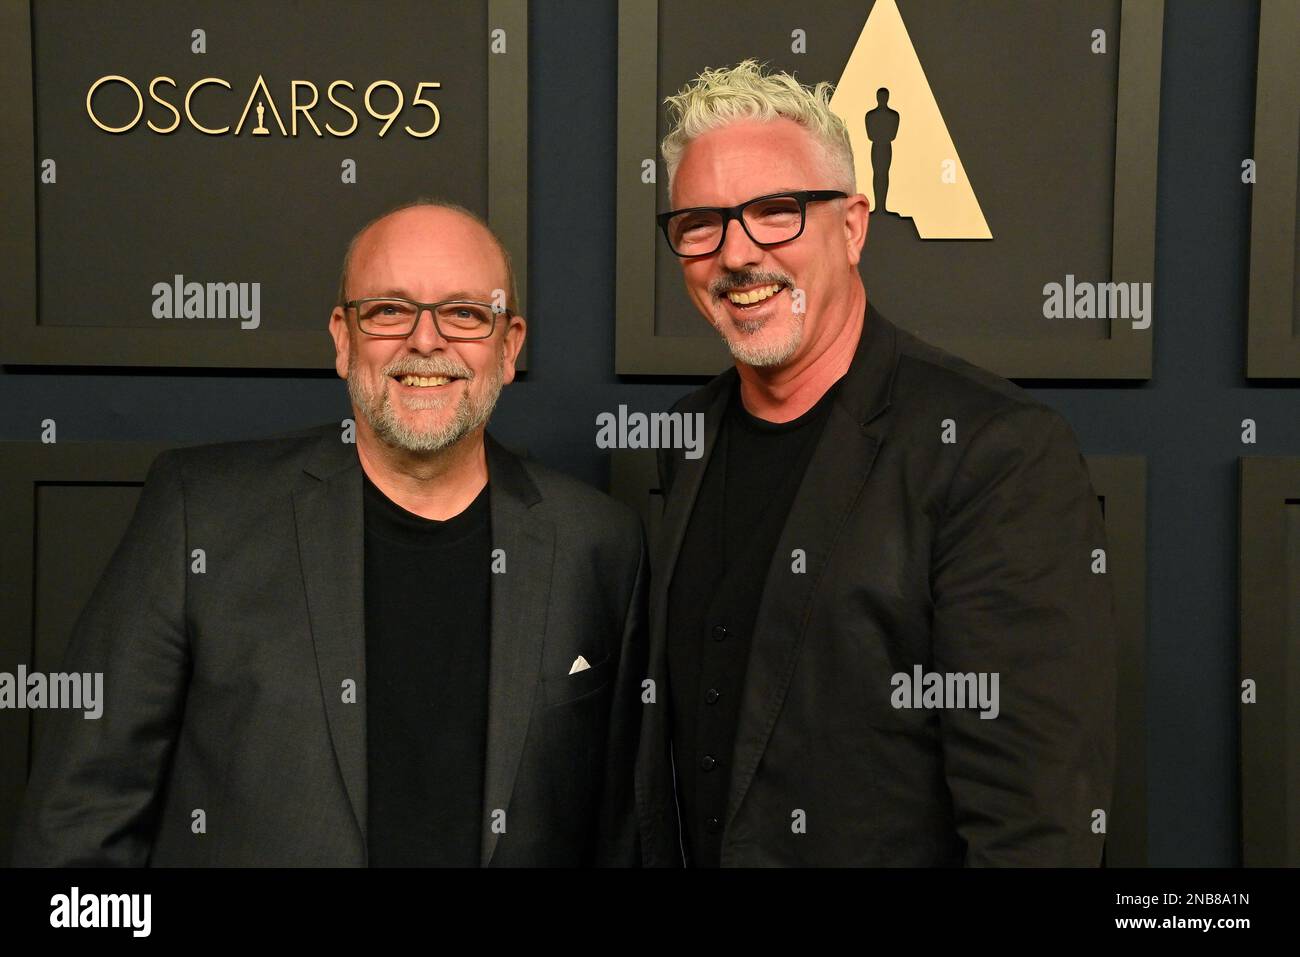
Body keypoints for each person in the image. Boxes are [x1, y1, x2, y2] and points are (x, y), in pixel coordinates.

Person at [13, 200, 647, 867]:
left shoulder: (598, 544)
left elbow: (621, 840)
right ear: (343, 338)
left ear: (509, 345)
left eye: (464, 312)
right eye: (388, 310)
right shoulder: (200, 512)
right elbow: (77, 827)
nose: (425, 341)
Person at [635, 60, 1117, 866]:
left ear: (853, 225)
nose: (737, 254)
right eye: (701, 223)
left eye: (775, 213)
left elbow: (1036, 827)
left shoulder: (994, 453)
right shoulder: (689, 436)